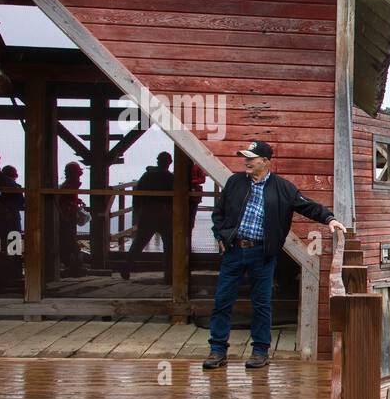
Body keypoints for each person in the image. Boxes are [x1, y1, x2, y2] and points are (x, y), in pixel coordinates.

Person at [205, 140, 345, 370]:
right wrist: (220, 236)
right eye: (245, 157)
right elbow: (218, 213)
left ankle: (260, 351)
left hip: (262, 253)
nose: (246, 162)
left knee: (261, 304)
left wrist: (329, 219)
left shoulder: (283, 188)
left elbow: (307, 206)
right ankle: (217, 350)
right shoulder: (235, 182)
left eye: (251, 158)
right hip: (234, 251)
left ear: (266, 162)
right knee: (222, 300)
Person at [121, 152, 174, 281]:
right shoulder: (170, 177)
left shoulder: (147, 175)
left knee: (139, 242)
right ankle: (168, 274)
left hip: (147, 212)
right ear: (169, 162)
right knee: (169, 245)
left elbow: (137, 194)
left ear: (158, 161)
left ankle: (126, 267)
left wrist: (138, 211)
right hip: (164, 214)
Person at [57, 162, 88, 277]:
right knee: (69, 242)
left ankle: (72, 266)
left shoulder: (68, 185)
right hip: (67, 218)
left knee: (68, 242)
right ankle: (74, 266)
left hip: (67, 217)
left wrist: (76, 201)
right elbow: (63, 202)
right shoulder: (70, 185)